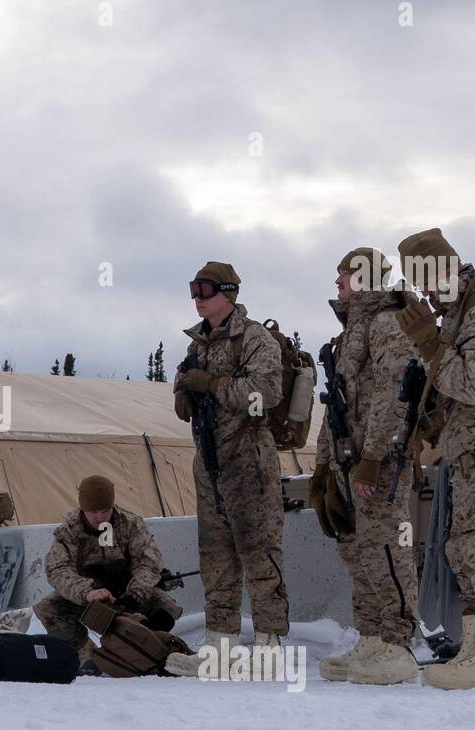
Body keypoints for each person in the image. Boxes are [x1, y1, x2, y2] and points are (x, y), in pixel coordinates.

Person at [395, 227, 475, 690]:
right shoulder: (459, 311)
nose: (424, 292)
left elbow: (473, 384)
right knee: (467, 550)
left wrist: (429, 344)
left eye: (425, 279)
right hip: (473, 452)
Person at [164, 262, 289, 678]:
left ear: (228, 293)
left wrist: (212, 385)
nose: (197, 298)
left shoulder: (253, 338)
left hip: (248, 462)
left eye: (205, 290)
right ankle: (221, 644)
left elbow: (266, 394)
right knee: (215, 556)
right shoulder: (197, 345)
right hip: (210, 463)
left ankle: (270, 646)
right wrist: (184, 394)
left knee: (259, 553)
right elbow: (187, 388)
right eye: (193, 290)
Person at [311, 248, 421, 685]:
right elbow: (335, 405)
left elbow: (395, 395)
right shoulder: (352, 330)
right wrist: (322, 466)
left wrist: (374, 457)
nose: (337, 282)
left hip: (378, 464)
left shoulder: (386, 323)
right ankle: (372, 637)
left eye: (343, 275)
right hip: (347, 462)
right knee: (357, 552)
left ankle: (399, 645)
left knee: (387, 548)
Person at [33, 475, 182, 674]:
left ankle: (148, 651)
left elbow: (149, 562)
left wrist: (135, 594)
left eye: (105, 511)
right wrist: (87, 592)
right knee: (50, 609)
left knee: (165, 607)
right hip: (89, 596)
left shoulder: (131, 524)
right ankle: (86, 658)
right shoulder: (69, 531)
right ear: (83, 509)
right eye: (93, 512)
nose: (100, 518)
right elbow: (57, 569)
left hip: (129, 592)